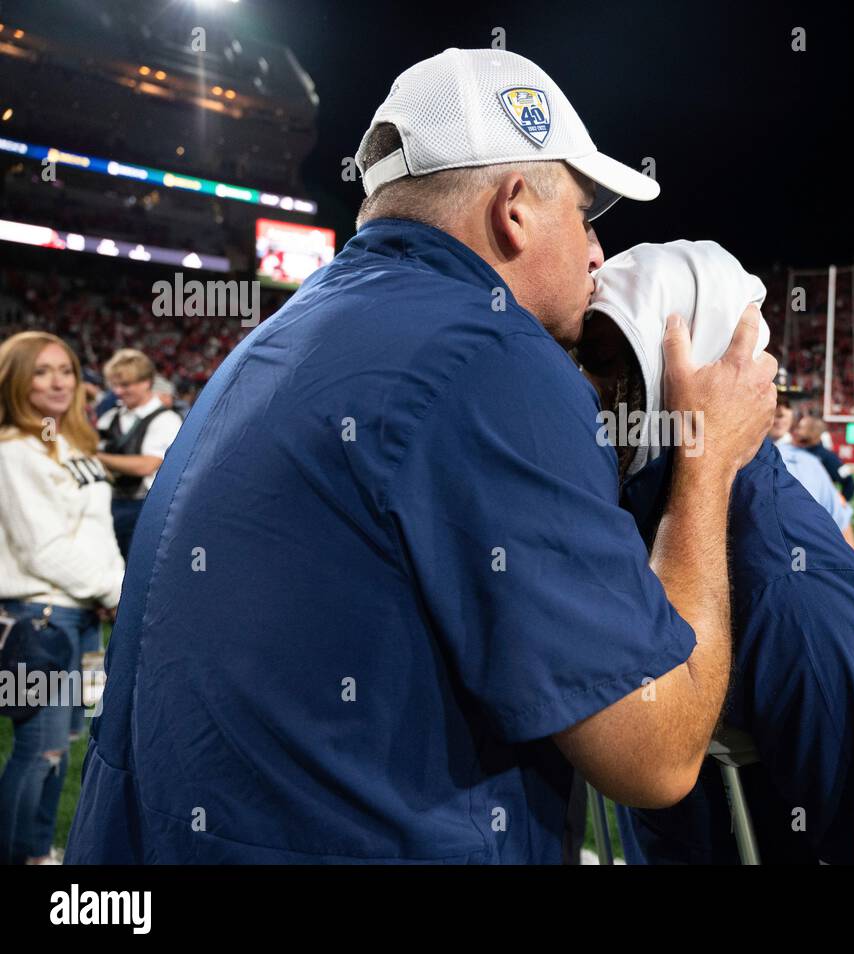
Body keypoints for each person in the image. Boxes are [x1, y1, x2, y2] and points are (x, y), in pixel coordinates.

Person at [66, 48, 777, 864]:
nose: (594, 254)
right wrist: (708, 460)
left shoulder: (269, 342)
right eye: (585, 216)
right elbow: (657, 752)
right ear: (515, 208)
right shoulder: (490, 356)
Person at [577, 240, 854, 864]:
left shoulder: (799, 597)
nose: (578, 388)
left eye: (602, 361)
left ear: (692, 362)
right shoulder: (621, 515)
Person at [0, 331, 123, 865]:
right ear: (15, 381)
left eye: (66, 370)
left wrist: (113, 589)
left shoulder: (72, 445)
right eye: (41, 371)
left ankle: (37, 852)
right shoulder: (13, 450)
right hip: (39, 618)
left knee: (64, 747)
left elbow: (98, 533)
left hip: (84, 616)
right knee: (37, 751)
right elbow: (42, 549)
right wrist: (117, 592)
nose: (57, 382)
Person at [95, 350, 182, 558]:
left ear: (146, 382)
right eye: (114, 385)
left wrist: (96, 456)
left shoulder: (166, 420)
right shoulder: (109, 417)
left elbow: (146, 465)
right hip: (110, 503)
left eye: (125, 385)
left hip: (146, 508)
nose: (118, 392)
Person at [792, 414, 854, 501]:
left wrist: (841, 503)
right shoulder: (793, 452)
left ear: (813, 431)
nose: (796, 431)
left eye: (801, 428)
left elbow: (849, 482)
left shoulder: (827, 457)